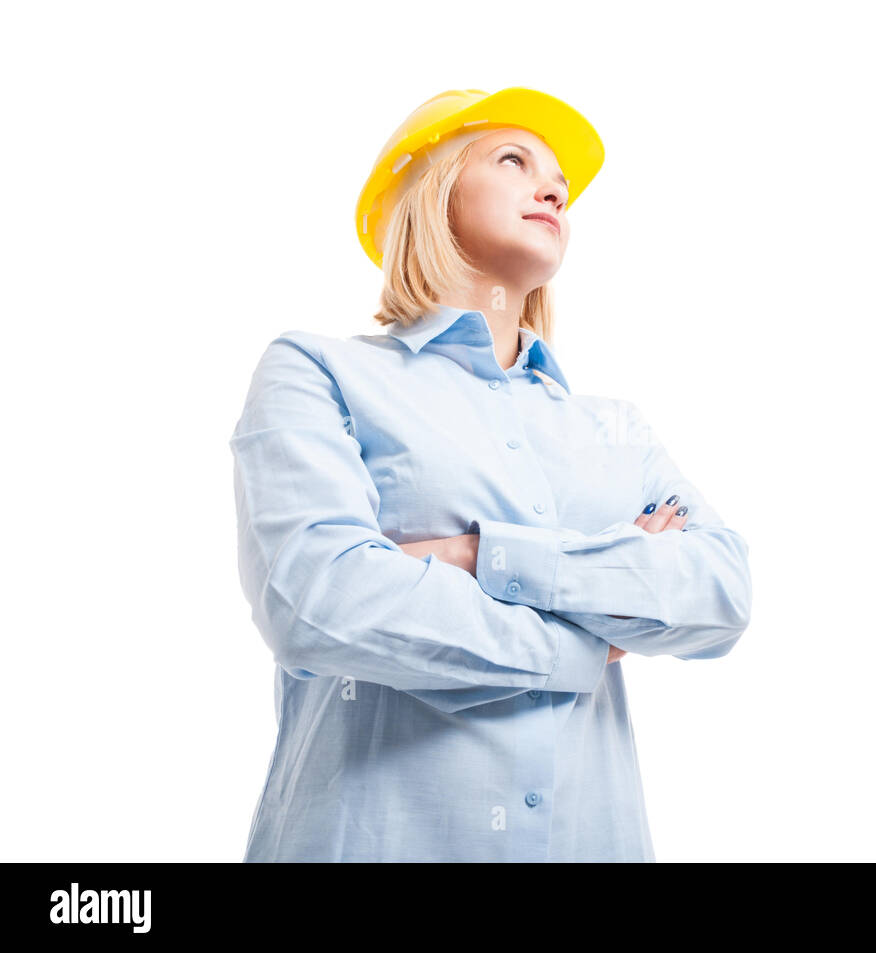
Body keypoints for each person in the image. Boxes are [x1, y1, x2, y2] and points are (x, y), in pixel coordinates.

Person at [229, 87, 753, 862]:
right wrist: (594, 626)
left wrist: (476, 556)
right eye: (515, 161)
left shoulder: (614, 428)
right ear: (433, 192)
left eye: (562, 189)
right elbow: (319, 600)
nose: (552, 191)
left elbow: (720, 591)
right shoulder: (317, 372)